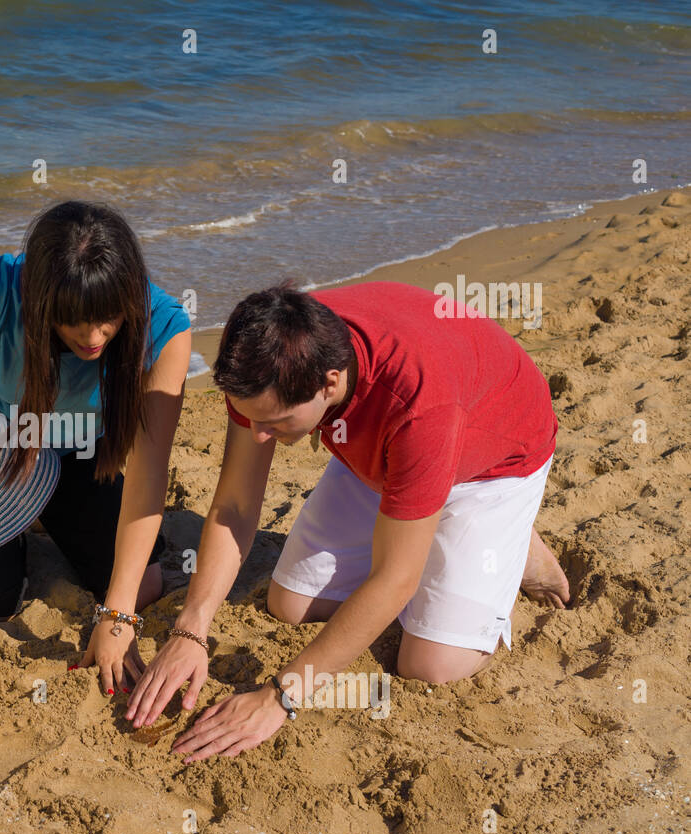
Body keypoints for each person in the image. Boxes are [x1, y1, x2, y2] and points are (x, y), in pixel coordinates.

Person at [125, 279, 570, 761]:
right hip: (381, 451)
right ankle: (424, 518)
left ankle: (510, 537)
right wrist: (192, 629)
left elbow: (395, 581)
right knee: (290, 604)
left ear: (330, 382)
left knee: (430, 663)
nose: (258, 436)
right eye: (250, 417)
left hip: (491, 461)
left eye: (274, 424)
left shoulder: (420, 405)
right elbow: (234, 504)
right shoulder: (265, 356)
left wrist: (280, 697)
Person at [0, 199, 192, 696]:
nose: (93, 338)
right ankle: (4, 524)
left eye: (108, 319)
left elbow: (149, 472)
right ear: (45, 300)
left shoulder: (164, 330)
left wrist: (118, 615)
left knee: (146, 586)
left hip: (77, 453)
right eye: (73, 321)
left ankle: (43, 508)